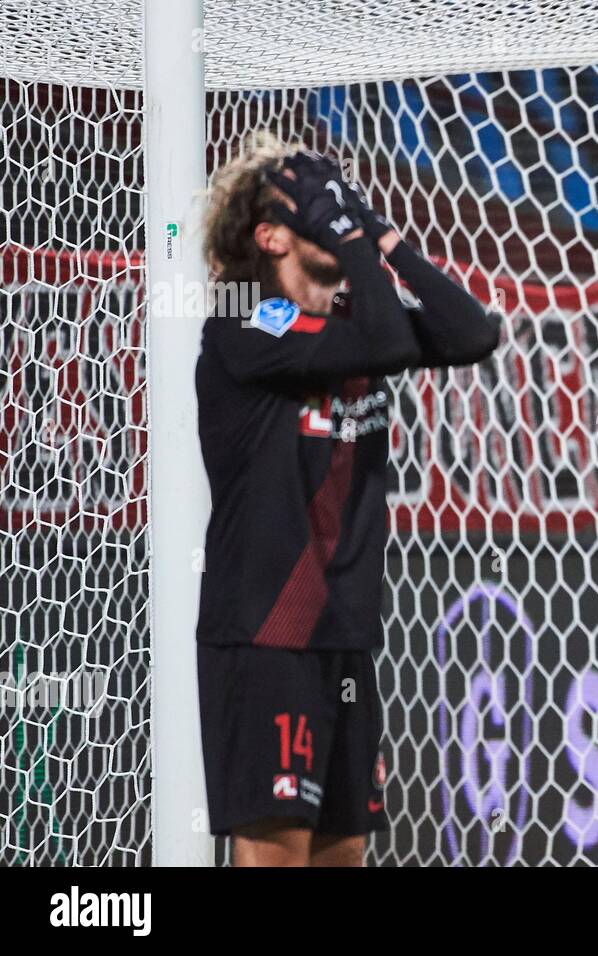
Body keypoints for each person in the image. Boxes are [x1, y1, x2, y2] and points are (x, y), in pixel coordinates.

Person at [195, 134, 501, 865]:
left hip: (343, 637)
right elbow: (389, 346)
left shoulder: (354, 321)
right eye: (308, 205)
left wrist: (382, 237)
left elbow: (471, 331)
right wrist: (350, 239)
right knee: (278, 857)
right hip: (268, 634)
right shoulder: (244, 324)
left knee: (344, 855)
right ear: (269, 236)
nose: (332, 214)